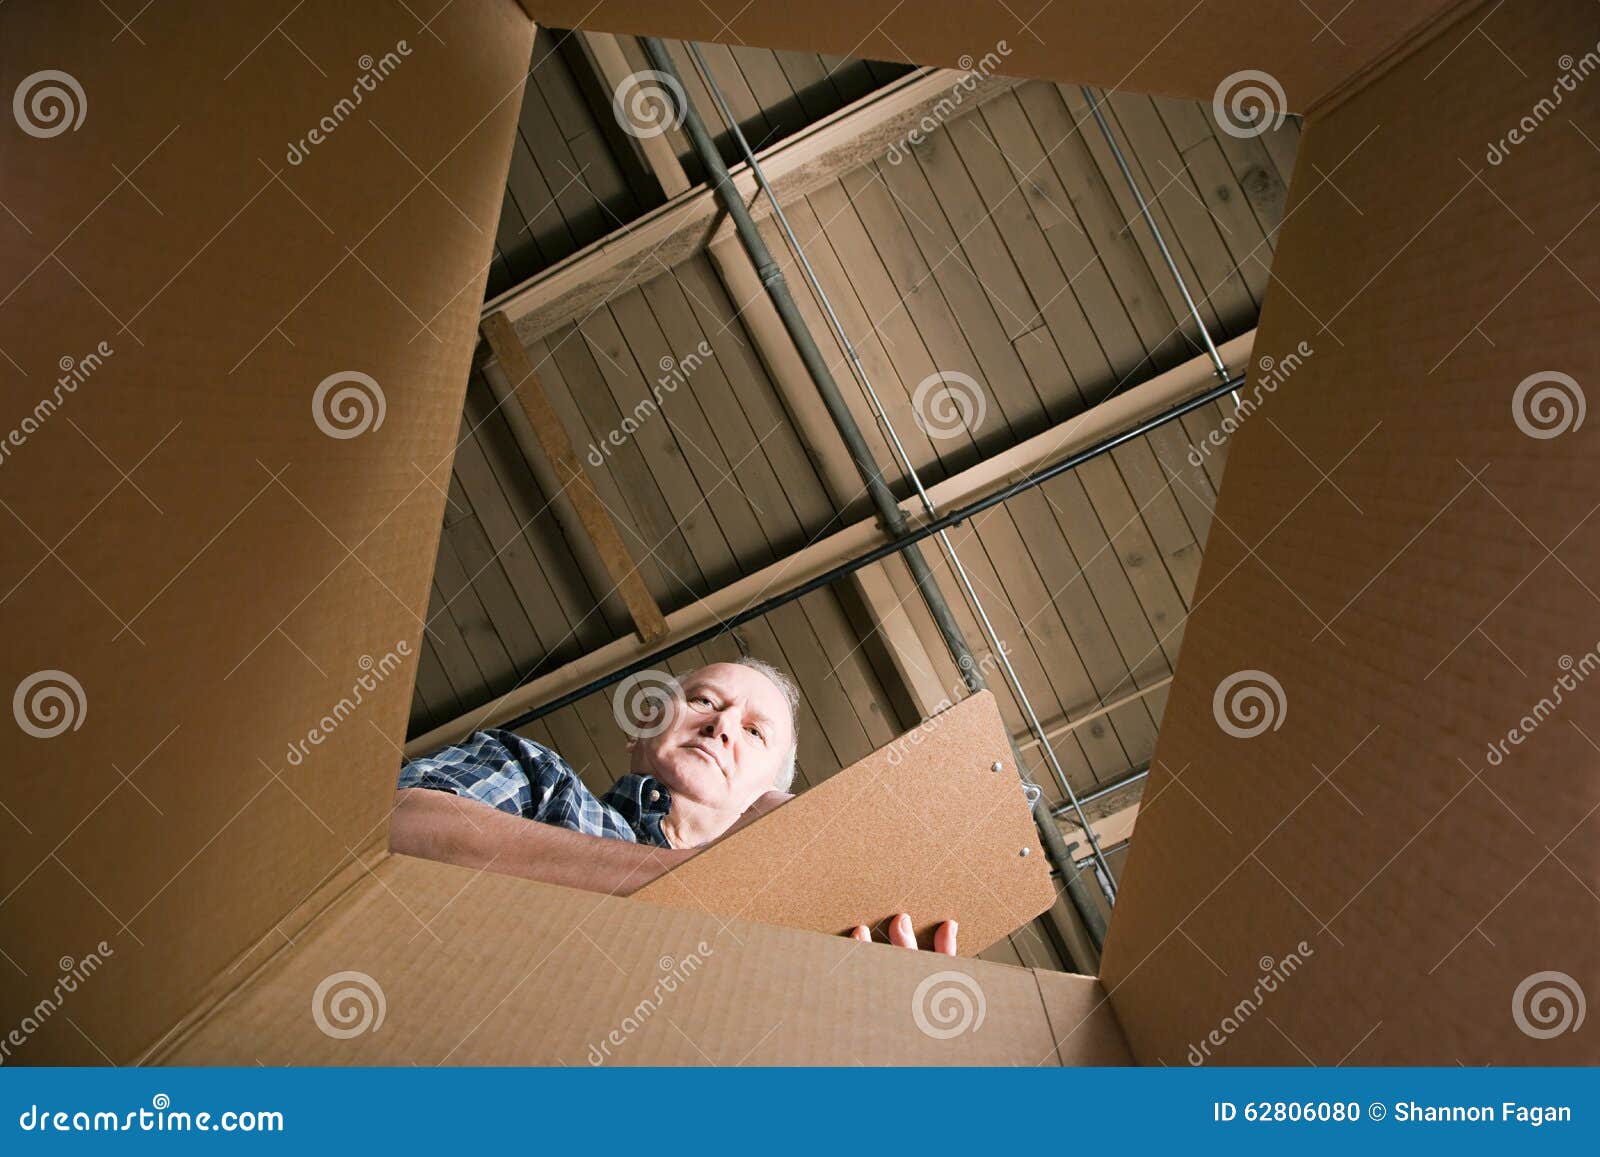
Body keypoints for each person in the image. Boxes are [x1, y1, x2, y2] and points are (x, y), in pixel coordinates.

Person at [391, 657, 956, 954]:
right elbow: (397, 826)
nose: (721, 724)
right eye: (704, 700)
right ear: (641, 731)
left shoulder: (798, 936)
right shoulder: (537, 777)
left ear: (768, 794)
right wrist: (711, 884)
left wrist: (888, 1008)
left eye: (756, 733)